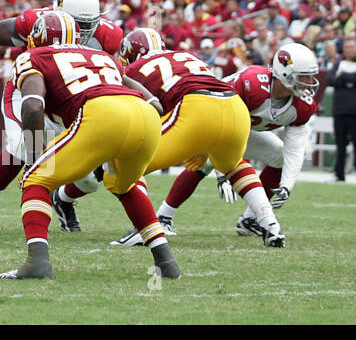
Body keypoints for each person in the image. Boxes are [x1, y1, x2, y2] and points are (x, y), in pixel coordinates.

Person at [0, 12, 178, 281]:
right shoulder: (102, 56)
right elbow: (147, 96)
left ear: (39, 35)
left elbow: (33, 106)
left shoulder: (32, 57)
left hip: (102, 112)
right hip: (144, 116)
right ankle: (165, 261)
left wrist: (34, 157)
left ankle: (37, 262)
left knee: (36, 179)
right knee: (124, 184)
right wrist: (150, 107)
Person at [0, 0, 123, 233]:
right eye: (76, 22)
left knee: (89, 180)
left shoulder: (108, 36)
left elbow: (117, 77)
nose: (82, 30)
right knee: (24, 146)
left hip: (69, 102)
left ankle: (63, 200)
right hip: (27, 91)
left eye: (88, 24)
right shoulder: (40, 21)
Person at [110, 28, 284, 248]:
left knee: (120, 166)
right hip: (235, 107)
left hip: (197, 109)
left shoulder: (135, 69)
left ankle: (146, 227)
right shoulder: (189, 57)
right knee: (234, 165)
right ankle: (271, 225)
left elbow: (149, 110)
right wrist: (202, 147)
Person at [140, 42, 320, 238]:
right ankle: (164, 216)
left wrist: (286, 185)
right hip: (213, 117)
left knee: (279, 155)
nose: (309, 82)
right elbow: (224, 122)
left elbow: (294, 148)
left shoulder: (302, 104)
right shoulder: (254, 84)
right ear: (284, 73)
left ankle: (250, 219)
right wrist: (222, 173)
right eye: (304, 76)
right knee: (207, 162)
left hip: (243, 128)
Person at [324, 36, 356, 181]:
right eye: (347, 47)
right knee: (340, 144)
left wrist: (343, 77)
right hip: (339, 110)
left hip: (354, 111)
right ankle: (339, 174)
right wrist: (347, 79)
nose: (350, 49)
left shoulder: (342, 68)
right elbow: (329, 80)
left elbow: (341, 79)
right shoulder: (339, 63)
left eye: (352, 46)